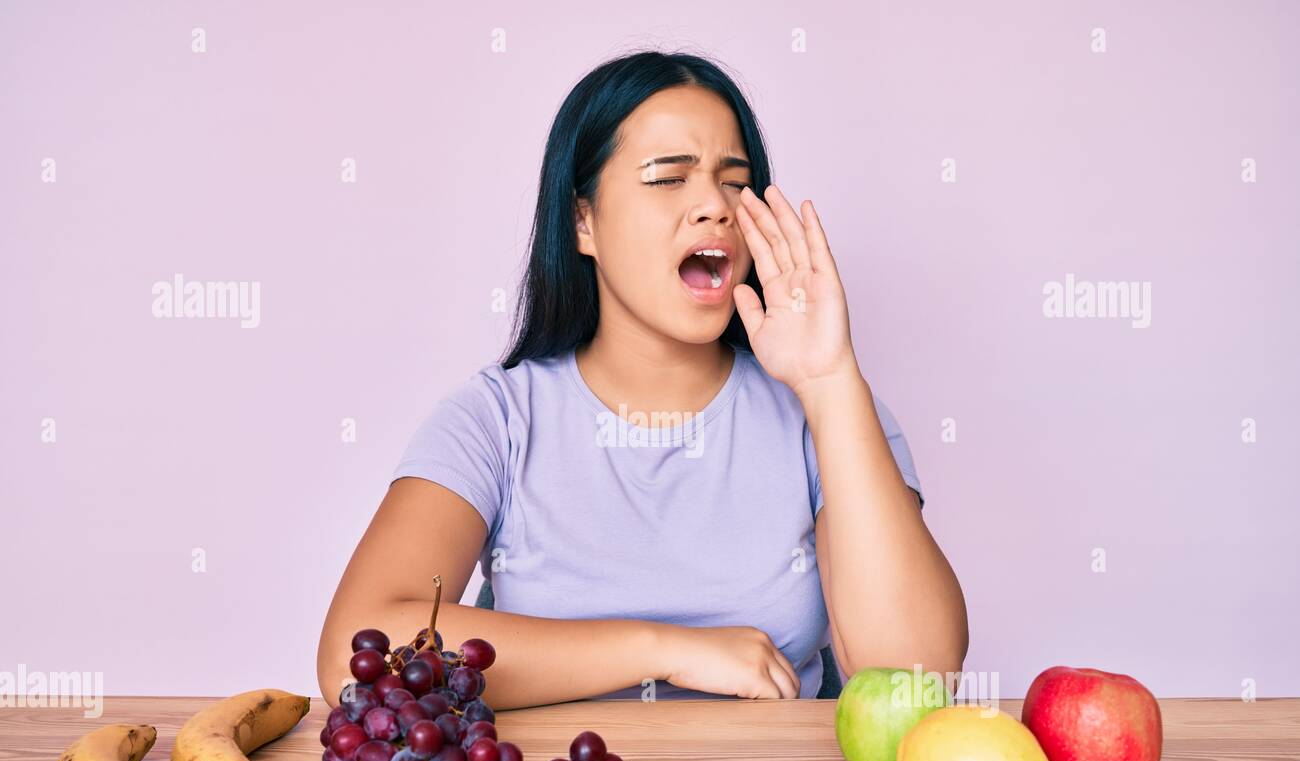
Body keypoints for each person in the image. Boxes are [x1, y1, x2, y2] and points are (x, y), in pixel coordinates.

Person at [317, 50, 967, 710]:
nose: (715, 205)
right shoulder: (494, 419)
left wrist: (829, 381)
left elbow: (917, 675)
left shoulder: (829, 408)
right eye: (667, 178)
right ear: (583, 221)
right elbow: (357, 655)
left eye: (734, 182)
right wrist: (667, 650)